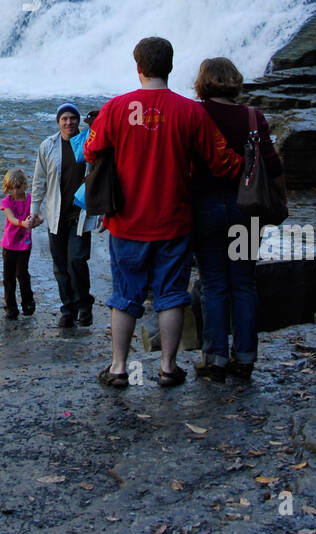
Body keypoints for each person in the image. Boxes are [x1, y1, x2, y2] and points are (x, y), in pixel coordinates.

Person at [84, 37, 243, 389]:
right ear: (171, 67)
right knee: (171, 295)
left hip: (126, 221)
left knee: (124, 296)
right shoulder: (191, 111)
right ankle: (168, 368)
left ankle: (119, 368)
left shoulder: (115, 108)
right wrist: (255, 166)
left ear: (138, 67)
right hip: (174, 221)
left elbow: (91, 150)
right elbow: (222, 162)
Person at [192, 57, 286, 382]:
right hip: (247, 209)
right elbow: (272, 165)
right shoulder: (251, 117)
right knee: (244, 283)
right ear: (234, 80)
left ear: (203, 81)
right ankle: (245, 358)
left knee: (213, 284)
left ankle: (215, 358)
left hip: (205, 208)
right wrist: (280, 202)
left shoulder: (195, 114)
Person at [29, 102, 96, 330]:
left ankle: (85, 306)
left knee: (77, 260)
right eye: (64, 119)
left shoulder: (89, 143)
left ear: (78, 121)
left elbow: (101, 175)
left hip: (80, 215)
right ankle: (68, 310)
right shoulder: (47, 146)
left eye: (72, 118)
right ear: (58, 122)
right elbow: (39, 181)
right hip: (56, 214)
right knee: (60, 267)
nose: (69, 122)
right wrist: (34, 210)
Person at [0, 168, 35, 318]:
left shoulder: (30, 199)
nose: (15, 191)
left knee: (22, 274)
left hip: (24, 244)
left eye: (18, 188)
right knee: (8, 277)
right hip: (9, 244)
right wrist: (24, 223)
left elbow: (37, 215)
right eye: (11, 188)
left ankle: (28, 303)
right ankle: (10, 306)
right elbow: (11, 218)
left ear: (24, 185)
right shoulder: (6, 201)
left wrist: (36, 220)